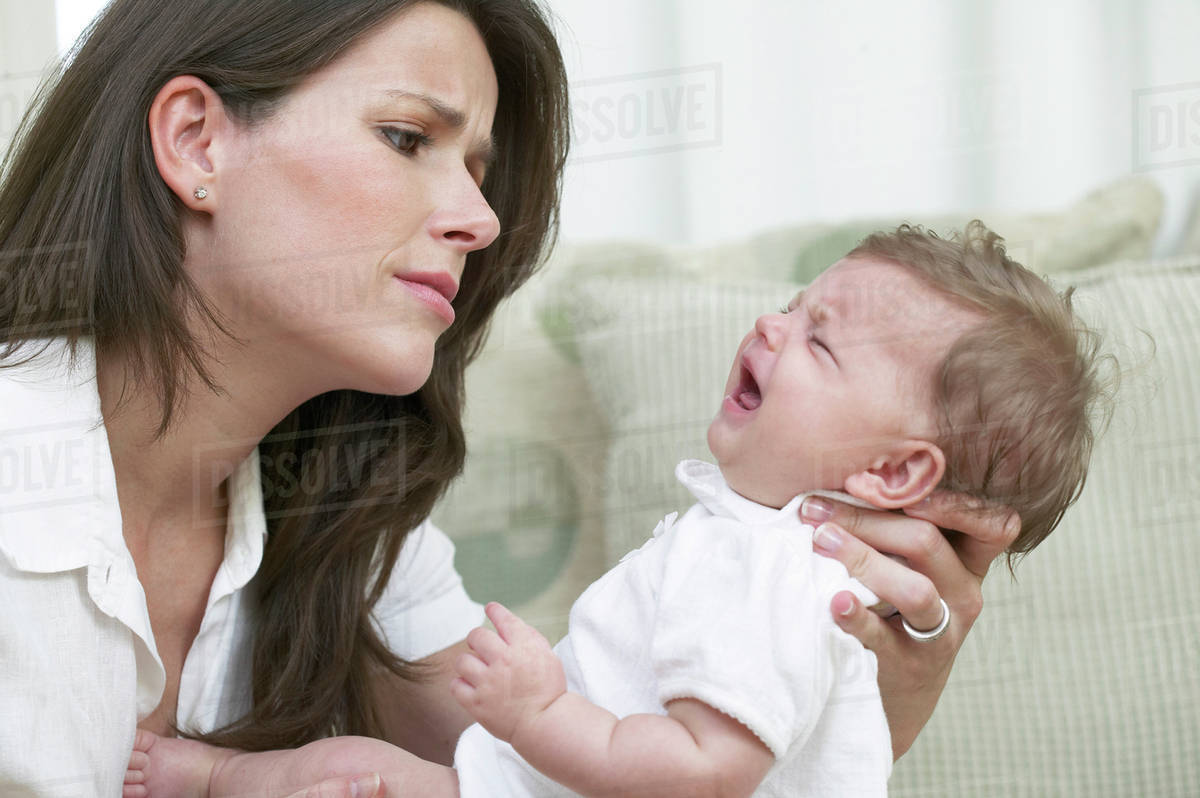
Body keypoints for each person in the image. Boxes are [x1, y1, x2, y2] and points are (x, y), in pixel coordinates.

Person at [0, 0, 1024, 793]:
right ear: (196, 141)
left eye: (481, 170)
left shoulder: (356, 529)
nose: (481, 220)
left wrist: (885, 692)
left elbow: (569, 776)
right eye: (408, 137)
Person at [123, 222, 1109, 796]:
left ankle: (195, 776)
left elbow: (708, 769)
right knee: (353, 771)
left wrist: (540, 708)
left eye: (820, 343)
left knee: (348, 772)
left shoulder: (771, 567)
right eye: (796, 304)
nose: (771, 323)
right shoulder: (760, 552)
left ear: (895, 475)